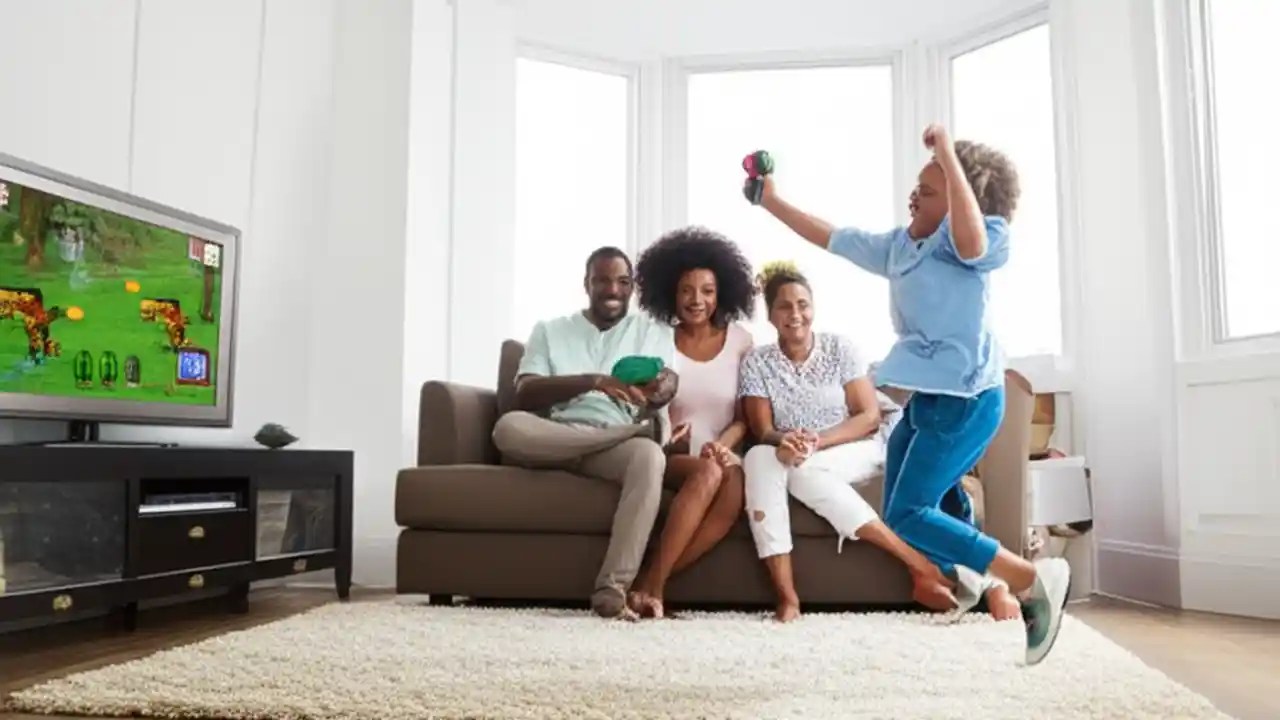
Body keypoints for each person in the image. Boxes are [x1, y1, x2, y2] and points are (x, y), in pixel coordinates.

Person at [753, 123, 1071, 663]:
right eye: (916, 188)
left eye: (928, 190)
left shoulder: (980, 238)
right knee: (928, 501)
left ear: (959, 200)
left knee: (907, 513)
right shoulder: (900, 247)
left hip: (968, 399)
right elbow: (831, 236)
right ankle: (981, 580)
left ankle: (1026, 579)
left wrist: (947, 152)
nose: (914, 196)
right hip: (927, 400)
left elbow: (969, 239)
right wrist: (771, 200)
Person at [738, 263, 958, 623]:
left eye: (803, 304)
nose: (795, 314)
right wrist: (786, 440)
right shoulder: (757, 361)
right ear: (771, 315)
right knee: (759, 458)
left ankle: (918, 565)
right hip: (792, 449)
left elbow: (868, 416)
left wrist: (818, 442)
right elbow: (763, 430)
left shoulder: (840, 349)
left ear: (813, 308)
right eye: (784, 306)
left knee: (803, 473)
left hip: (852, 444)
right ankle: (787, 596)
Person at [491, 246, 678, 620]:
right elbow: (524, 393)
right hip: (554, 435)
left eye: (622, 281)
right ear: (587, 284)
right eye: (603, 280)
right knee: (507, 428)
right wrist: (594, 381)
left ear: (632, 287)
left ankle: (611, 590)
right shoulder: (550, 331)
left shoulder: (651, 332)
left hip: (613, 449)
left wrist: (663, 389)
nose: (613, 290)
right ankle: (624, 435)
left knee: (649, 456)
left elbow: (666, 383)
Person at [627, 226, 757, 618]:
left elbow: (744, 418)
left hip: (720, 450)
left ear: (722, 294)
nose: (696, 300)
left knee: (732, 480)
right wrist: (666, 434)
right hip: (670, 452)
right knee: (708, 472)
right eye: (686, 290)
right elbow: (644, 404)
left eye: (707, 291)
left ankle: (650, 583)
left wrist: (722, 446)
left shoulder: (740, 341)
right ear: (671, 292)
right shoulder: (658, 340)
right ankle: (651, 586)